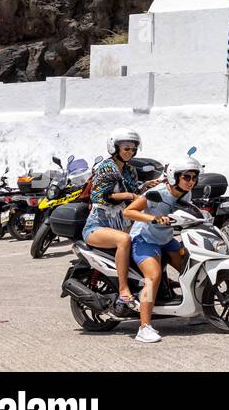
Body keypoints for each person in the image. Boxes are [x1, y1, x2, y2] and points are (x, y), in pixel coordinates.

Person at [123, 156, 200, 344]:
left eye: (194, 177)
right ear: (174, 177)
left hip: (165, 239)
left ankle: (195, 308)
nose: (191, 182)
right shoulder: (156, 193)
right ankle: (144, 328)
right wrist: (153, 218)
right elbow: (128, 212)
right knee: (153, 276)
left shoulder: (185, 193)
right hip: (145, 239)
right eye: (187, 177)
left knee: (190, 266)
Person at [83, 128, 161, 309]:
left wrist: (146, 187)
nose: (131, 152)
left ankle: (158, 282)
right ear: (115, 147)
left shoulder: (130, 170)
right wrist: (128, 195)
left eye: (133, 149)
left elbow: (133, 194)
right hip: (98, 226)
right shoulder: (106, 168)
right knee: (124, 240)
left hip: (122, 223)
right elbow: (99, 197)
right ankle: (123, 291)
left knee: (152, 236)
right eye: (127, 148)